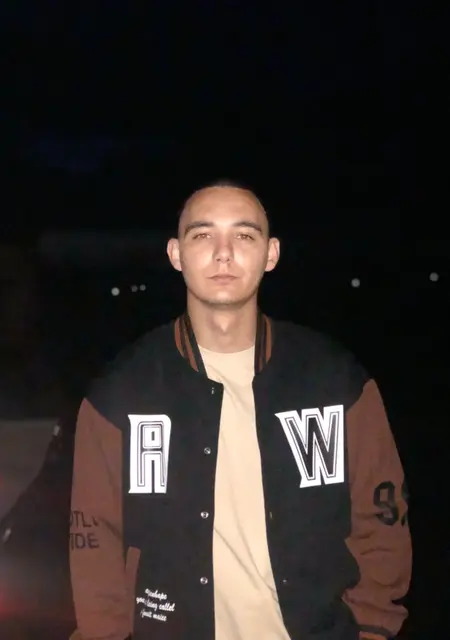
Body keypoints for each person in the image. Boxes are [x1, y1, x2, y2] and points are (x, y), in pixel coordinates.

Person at [70, 181, 412, 640]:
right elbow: (94, 541)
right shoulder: (121, 393)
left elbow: (383, 521)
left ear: (271, 254)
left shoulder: (335, 380)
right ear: (176, 254)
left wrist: (371, 629)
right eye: (203, 235)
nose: (224, 253)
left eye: (244, 235)